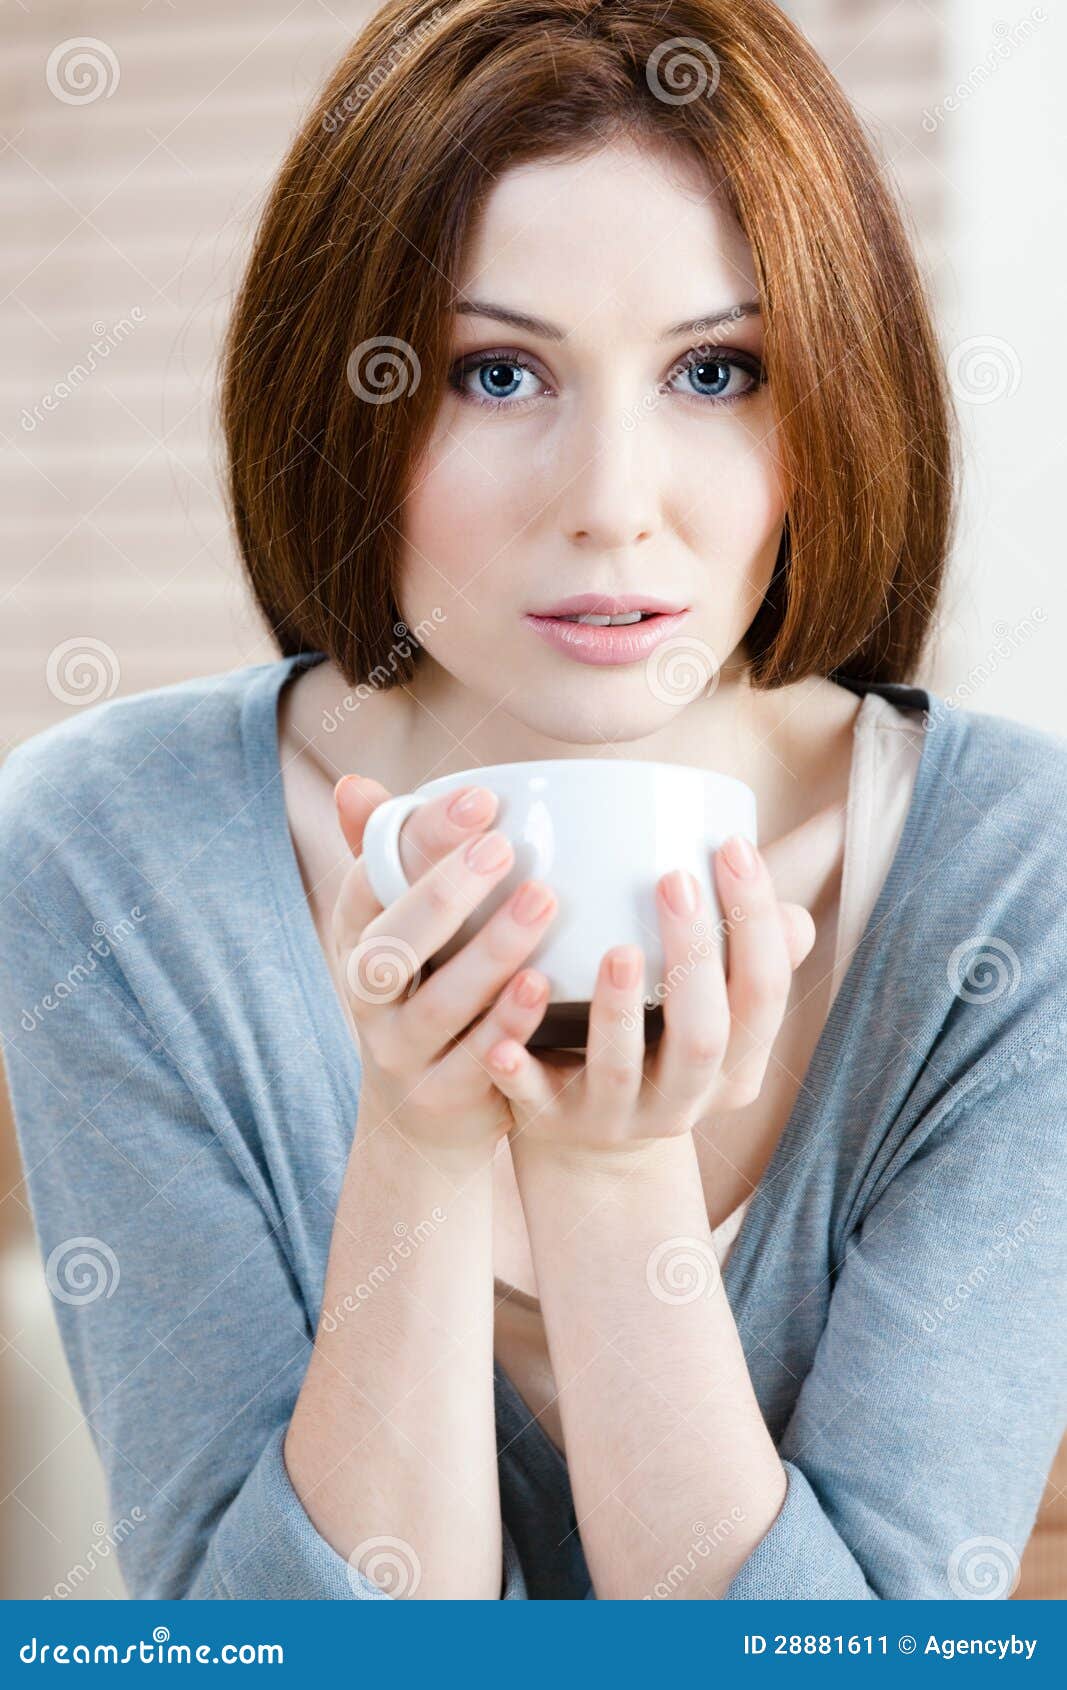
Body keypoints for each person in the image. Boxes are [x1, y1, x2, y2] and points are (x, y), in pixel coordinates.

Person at [0, 0, 1064, 1602]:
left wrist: (608, 1173)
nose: (613, 506)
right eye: (496, 373)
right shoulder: (105, 851)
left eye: (717, 369)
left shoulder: (1017, 880)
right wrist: (418, 1147)